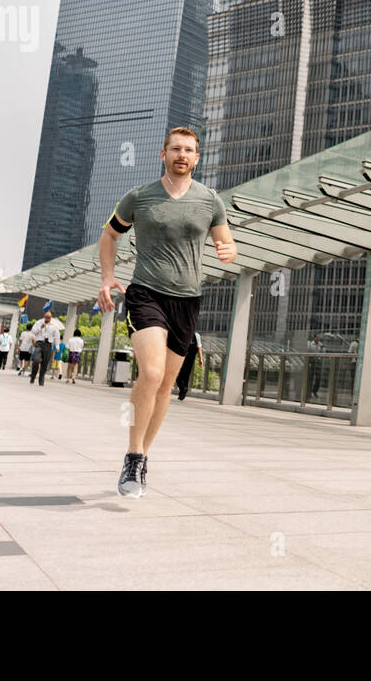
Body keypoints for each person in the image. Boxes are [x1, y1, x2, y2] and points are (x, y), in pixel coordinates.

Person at [99, 126, 236, 497]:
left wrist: (228, 252)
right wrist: (108, 277)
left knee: (165, 387)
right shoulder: (139, 197)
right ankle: (131, 455)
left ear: (197, 157)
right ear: (163, 154)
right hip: (146, 293)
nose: (182, 155)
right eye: (175, 149)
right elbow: (110, 234)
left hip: (187, 300)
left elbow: (227, 242)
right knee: (152, 372)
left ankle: (143, 456)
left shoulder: (210, 201)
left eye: (189, 150)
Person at [28, 309, 64, 386]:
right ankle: (33, 376)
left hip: (48, 345)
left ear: (51, 318)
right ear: (44, 317)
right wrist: (40, 328)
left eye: (49, 317)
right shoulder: (39, 323)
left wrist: (57, 346)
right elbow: (33, 332)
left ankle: (41, 379)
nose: (47, 318)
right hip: (39, 343)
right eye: (46, 317)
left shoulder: (54, 326)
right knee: (36, 360)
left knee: (45, 363)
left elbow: (57, 336)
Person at [175, 331, 202, 401]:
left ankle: (183, 392)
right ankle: (183, 391)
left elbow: (199, 347)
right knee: (183, 377)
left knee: (181, 378)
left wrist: (200, 359)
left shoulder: (196, 335)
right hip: (184, 358)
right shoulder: (185, 333)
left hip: (188, 358)